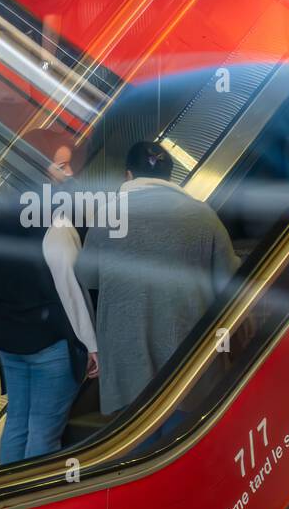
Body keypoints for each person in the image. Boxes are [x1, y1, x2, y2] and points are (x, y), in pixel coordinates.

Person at [76, 139, 238, 417]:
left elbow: (86, 277)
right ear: (168, 176)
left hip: (128, 354)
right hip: (187, 350)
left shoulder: (108, 216)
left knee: (137, 434)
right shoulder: (202, 214)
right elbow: (230, 277)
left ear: (128, 175)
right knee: (184, 429)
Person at [0, 131, 98, 464]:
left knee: (17, 420)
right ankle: (33, 507)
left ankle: (3, 497)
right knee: (44, 432)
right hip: (49, 344)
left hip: (8, 338)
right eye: (60, 166)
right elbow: (70, 291)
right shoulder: (58, 225)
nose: (69, 173)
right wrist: (92, 346)